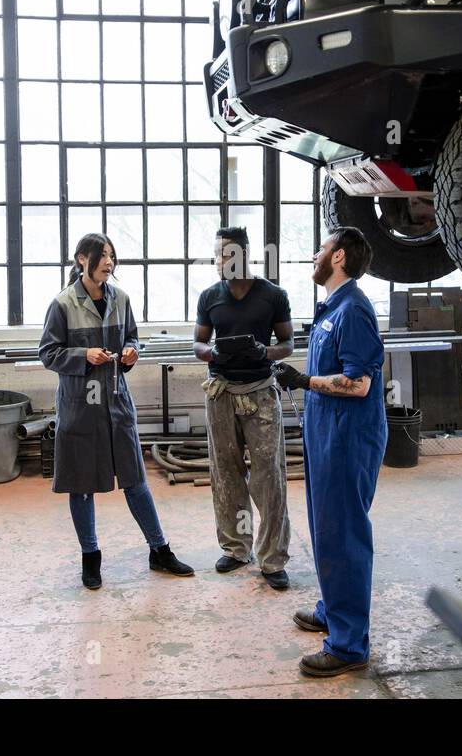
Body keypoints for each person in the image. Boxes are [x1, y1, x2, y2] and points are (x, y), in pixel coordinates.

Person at [39, 232, 194, 589]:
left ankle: (160, 549)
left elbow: (133, 338)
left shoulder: (121, 299)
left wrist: (130, 352)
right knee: (81, 486)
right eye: (102, 256)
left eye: (111, 256)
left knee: (136, 480)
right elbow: (48, 353)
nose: (109, 262)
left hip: (116, 402)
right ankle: (90, 556)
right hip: (80, 405)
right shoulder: (62, 304)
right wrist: (82, 355)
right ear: (81, 259)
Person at [274, 226, 387, 678]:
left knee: (345, 536)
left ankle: (348, 644)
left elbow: (359, 384)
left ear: (338, 257)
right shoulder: (331, 309)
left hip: (348, 441)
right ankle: (332, 609)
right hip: (326, 437)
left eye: (320, 249)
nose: (314, 255)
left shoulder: (354, 310)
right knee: (326, 530)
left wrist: (303, 382)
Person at [193, 227, 295, 590]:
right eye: (216, 255)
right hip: (221, 393)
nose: (219, 262)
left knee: (268, 475)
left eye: (224, 255)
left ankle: (272, 559)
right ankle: (237, 548)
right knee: (226, 473)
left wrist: (264, 352)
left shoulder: (272, 296)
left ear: (242, 255)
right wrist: (213, 353)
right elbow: (198, 344)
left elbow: (288, 342)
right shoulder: (209, 297)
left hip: (261, 392)